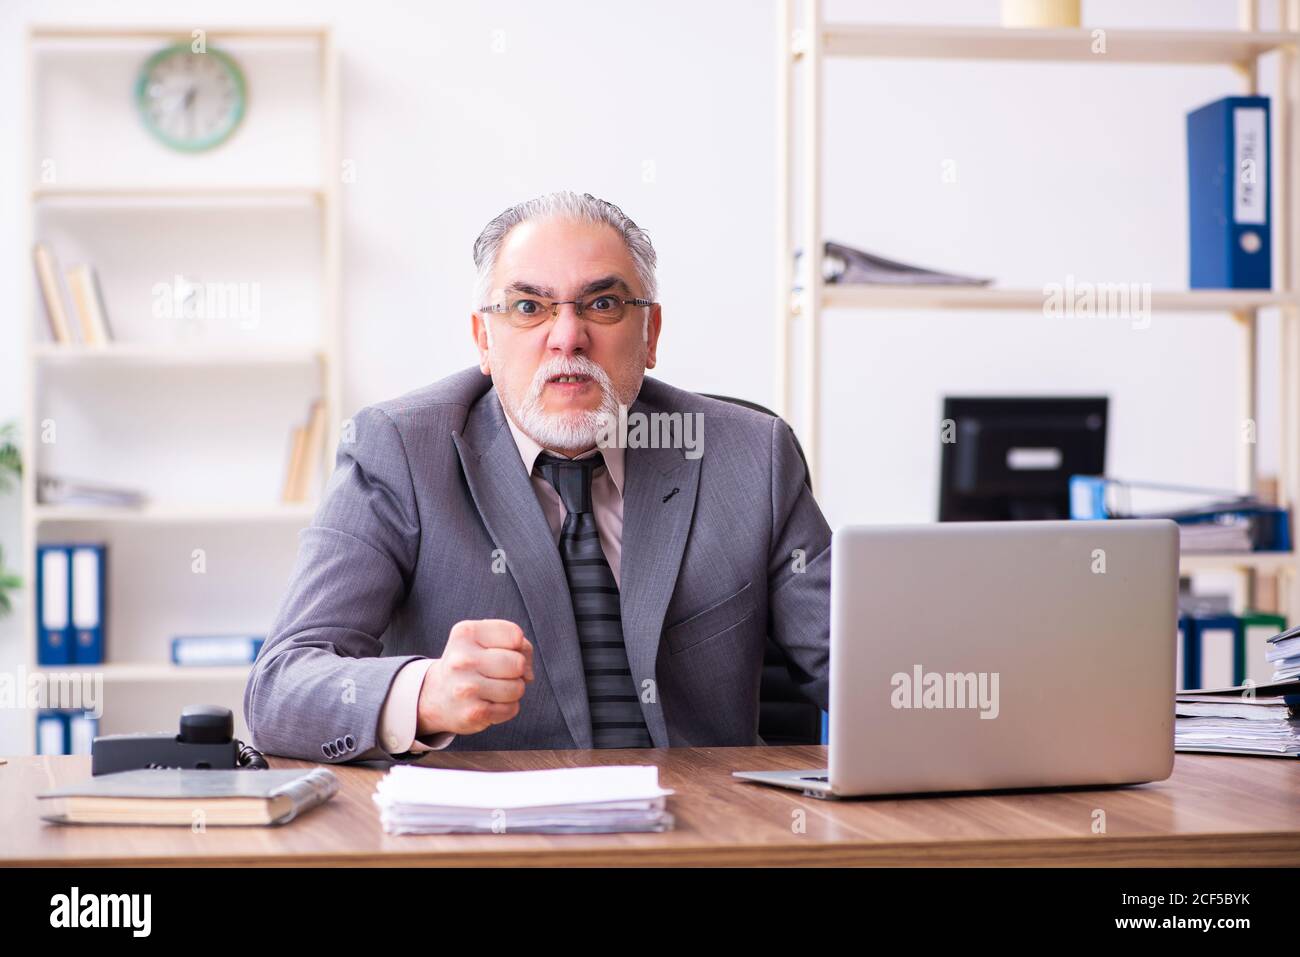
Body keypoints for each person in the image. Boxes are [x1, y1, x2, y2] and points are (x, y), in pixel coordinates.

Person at [243, 190, 830, 762]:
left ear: (649, 335)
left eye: (602, 304)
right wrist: (426, 693)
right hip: (493, 843)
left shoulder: (751, 455)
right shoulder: (400, 452)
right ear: (484, 341)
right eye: (529, 307)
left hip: (711, 836)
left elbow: (863, 671)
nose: (567, 336)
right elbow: (279, 688)